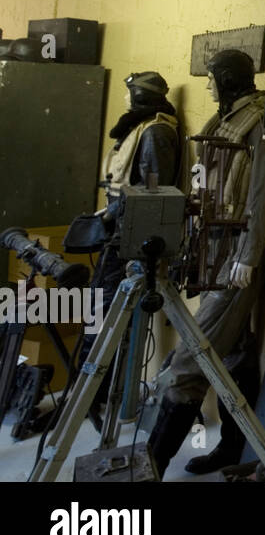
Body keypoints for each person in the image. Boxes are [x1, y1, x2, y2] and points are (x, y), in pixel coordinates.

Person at [147, 49, 265, 477]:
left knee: (190, 361)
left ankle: (150, 465)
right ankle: (232, 447)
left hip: (235, 254)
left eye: (211, 79)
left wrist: (249, 256)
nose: (208, 87)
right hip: (211, 247)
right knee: (237, 351)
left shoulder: (261, 123)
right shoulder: (223, 121)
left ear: (226, 78)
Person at [81, 71, 181, 429]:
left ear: (139, 96)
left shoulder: (155, 132)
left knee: (107, 315)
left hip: (129, 242)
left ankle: (98, 394)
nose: (126, 101)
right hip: (116, 230)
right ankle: (90, 392)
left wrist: (129, 237)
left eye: (130, 94)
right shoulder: (139, 128)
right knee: (98, 312)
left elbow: (153, 191)